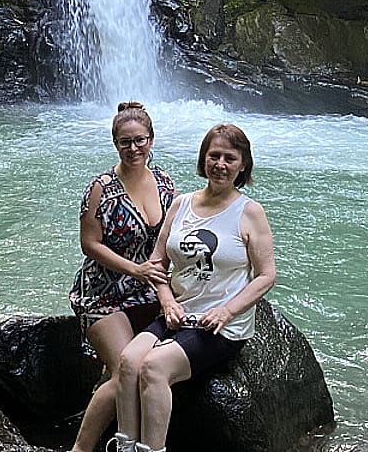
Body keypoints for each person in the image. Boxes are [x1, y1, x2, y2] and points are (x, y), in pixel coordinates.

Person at [110, 123, 276, 452]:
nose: (221, 164)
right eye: (214, 156)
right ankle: (125, 445)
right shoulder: (181, 204)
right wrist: (168, 302)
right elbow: (157, 265)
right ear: (203, 160)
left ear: (243, 164)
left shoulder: (250, 212)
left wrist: (228, 311)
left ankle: (152, 450)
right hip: (178, 313)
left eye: (230, 158)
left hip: (219, 324)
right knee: (129, 361)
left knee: (153, 367)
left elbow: (266, 275)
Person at [68, 102, 178, 452]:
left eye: (139, 141)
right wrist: (135, 269)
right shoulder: (101, 187)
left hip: (149, 291)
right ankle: (80, 449)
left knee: (155, 366)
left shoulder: (165, 184)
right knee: (123, 374)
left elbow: (170, 242)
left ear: (151, 140)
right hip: (103, 292)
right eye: (125, 142)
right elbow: (89, 244)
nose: (133, 149)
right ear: (115, 143)